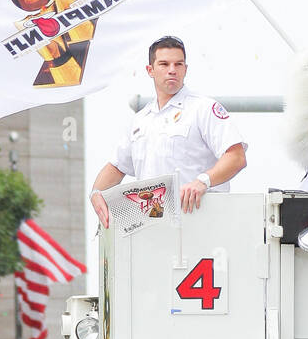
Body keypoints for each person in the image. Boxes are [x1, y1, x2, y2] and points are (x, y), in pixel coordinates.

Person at [88, 36, 247, 226]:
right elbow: (117, 166)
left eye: (178, 64)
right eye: (164, 64)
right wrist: (96, 193)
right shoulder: (140, 120)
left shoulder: (203, 108)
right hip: (152, 225)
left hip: (200, 222)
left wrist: (203, 181)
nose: (172, 70)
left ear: (185, 69)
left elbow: (236, 157)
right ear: (150, 70)